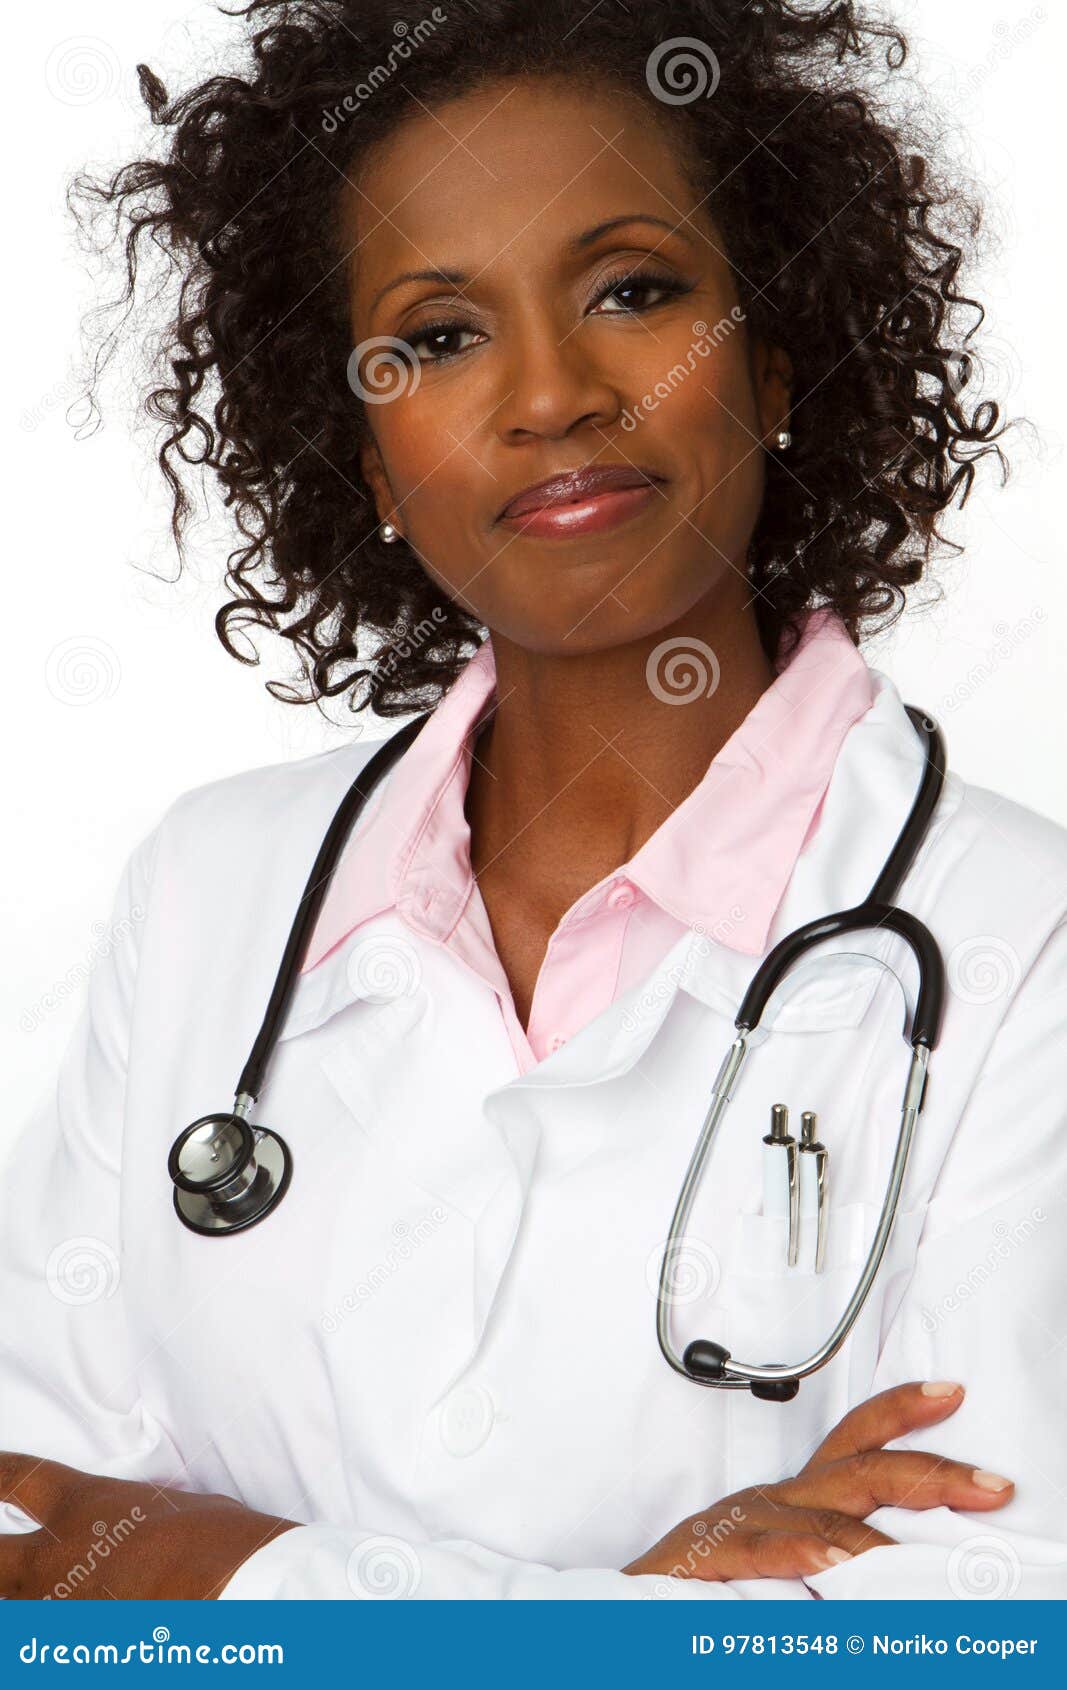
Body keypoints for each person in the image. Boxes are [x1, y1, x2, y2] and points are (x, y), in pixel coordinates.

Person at [3, 0, 1065, 1600]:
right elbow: (37, 1548)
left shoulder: (1020, 942)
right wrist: (638, 1613)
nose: (553, 394)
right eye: (435, 337)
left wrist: (252, 1577)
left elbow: (971, 1621)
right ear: (363, 453)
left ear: (772, 357)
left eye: (635, 292)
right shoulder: (211, 889)